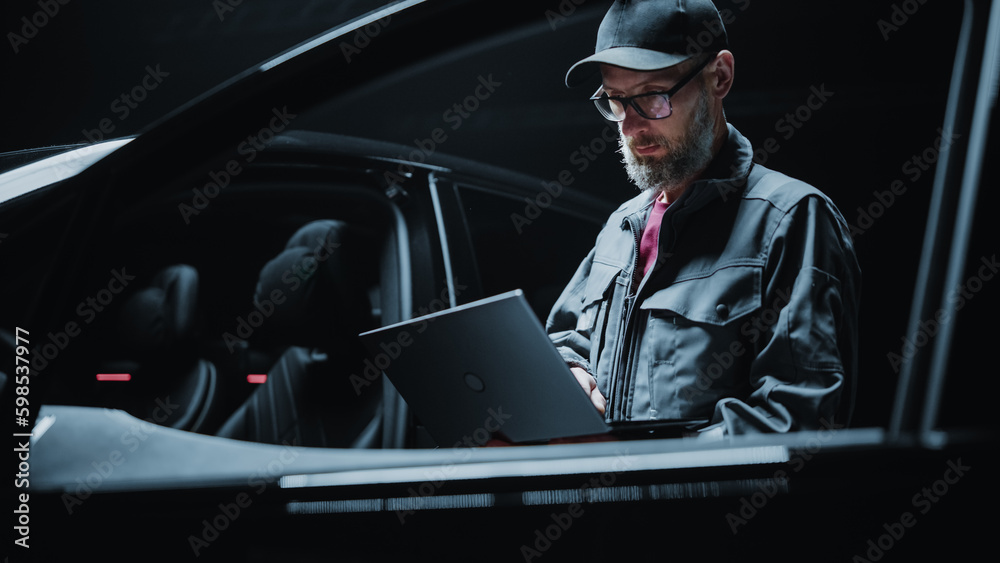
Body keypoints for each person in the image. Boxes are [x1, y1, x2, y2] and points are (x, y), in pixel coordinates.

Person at [546, 0, 860, 438]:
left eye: (652, 97)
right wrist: (570, 374)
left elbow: (797, 420)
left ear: (720, 76)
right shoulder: (620, 229)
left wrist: (647, 471)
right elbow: (568, 341)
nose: (630, 127)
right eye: (616, 101)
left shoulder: (792, 219)